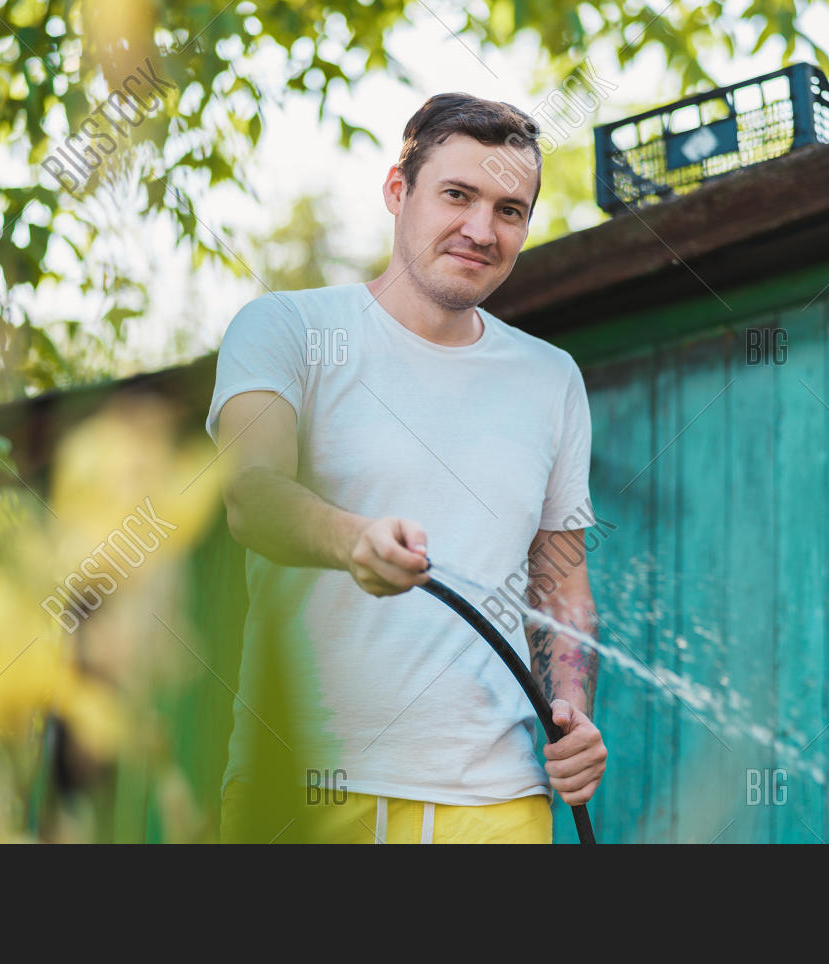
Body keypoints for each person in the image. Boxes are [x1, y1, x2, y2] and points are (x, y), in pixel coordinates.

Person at [206, 92, 606, 844]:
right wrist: (351, 539)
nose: (481, 229)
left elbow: (559, 577)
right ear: (399, 191)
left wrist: (574, 710)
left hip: (499, 805)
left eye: (510, 209)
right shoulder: (287, 327)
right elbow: (250, 496)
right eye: (458, 195)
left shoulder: (552, 378)